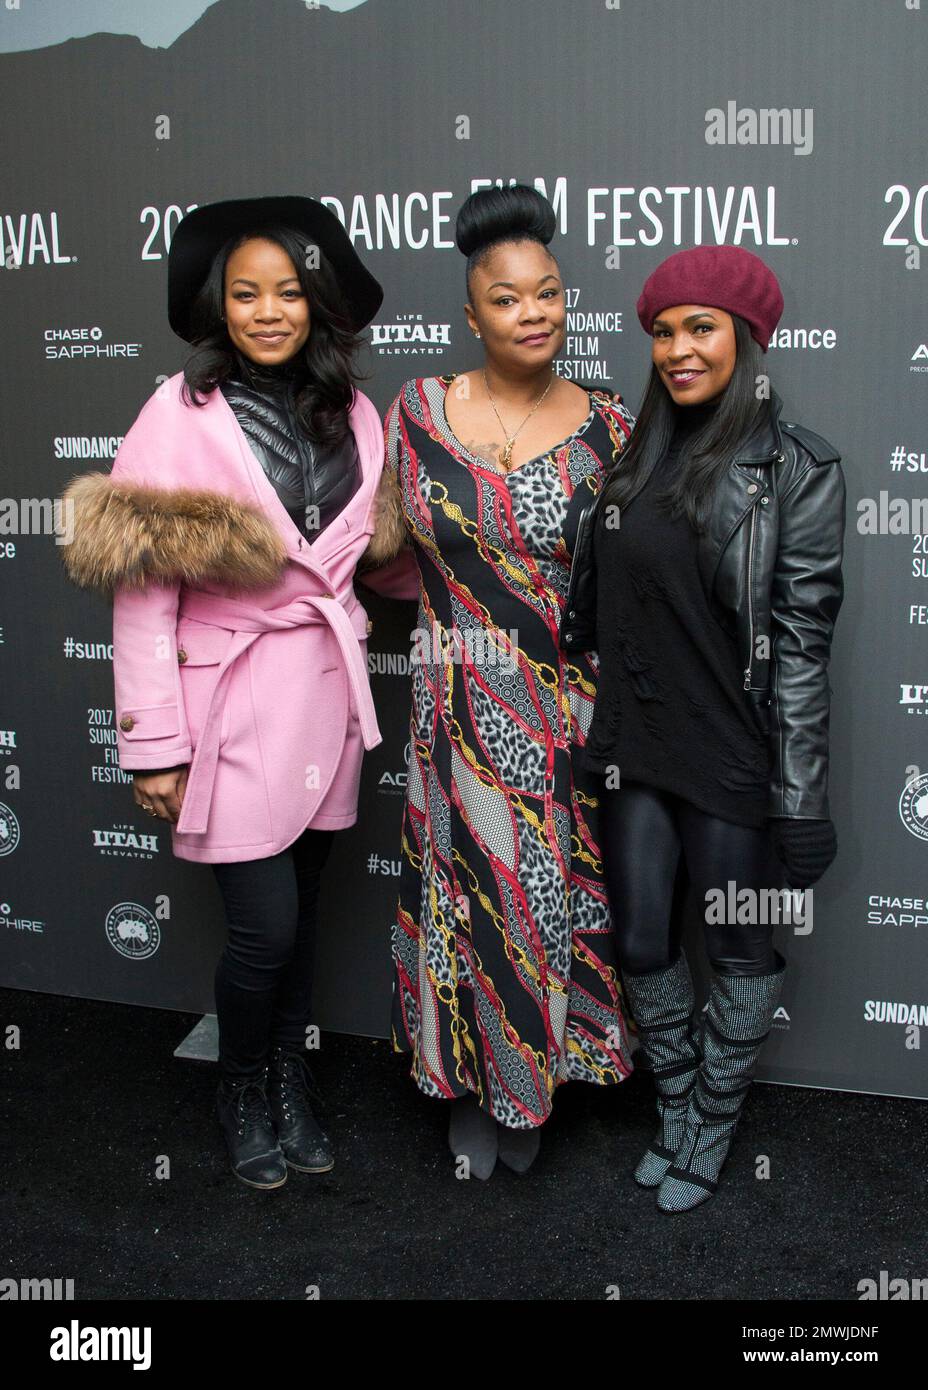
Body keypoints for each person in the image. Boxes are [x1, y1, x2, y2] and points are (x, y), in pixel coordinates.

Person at [61, 196, 410, 1190]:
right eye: (246, 292)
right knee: (263, 928)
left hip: (325, 705)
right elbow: (141, 593)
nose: (268, 310)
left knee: (301, 916)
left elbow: (373, 566)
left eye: (288, 291)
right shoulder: (178, 411)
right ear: (218, 303)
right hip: (228, 712)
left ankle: (289, 1079)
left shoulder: (353, 412)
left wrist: (483, 561)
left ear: (318, 303)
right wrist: (153, 743)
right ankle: (240, 1081)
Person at [560, 245, 845, 1212]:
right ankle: (676, 1104)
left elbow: (803, 645)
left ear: (746, 340)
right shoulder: (631, 457)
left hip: (732, 755)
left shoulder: (799, 469)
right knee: (642, 942)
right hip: (638, 747)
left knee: (741, 947)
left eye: (701, 328)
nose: (678, 348)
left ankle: (713, 1127)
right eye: (663, 331)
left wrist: (801, 796)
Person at [384, 184, 636, 1180]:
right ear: (471, 314)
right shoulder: (418, 413)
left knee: (538, 896)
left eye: (549, 293)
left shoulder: (610, 429)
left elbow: (635, 578)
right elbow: (376, 550)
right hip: (449, 706)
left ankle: (528, 1088)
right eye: (506, 297)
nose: (532, 312)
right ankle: (461, 1081)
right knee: (456, 892)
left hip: (559, 709)